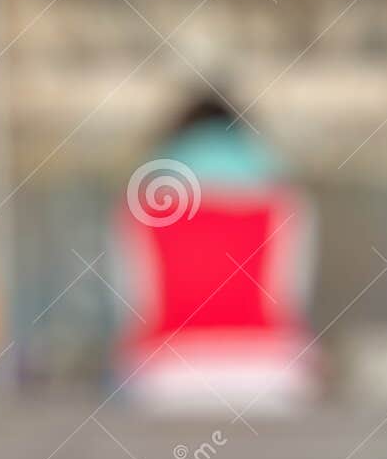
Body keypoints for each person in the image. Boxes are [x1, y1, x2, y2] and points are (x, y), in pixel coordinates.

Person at [111, 90, 319, 415]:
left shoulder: (141, 206)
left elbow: (135, 305)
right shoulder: (285, 202)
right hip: (270, 370)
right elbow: (290, 297)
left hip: (164, 374)